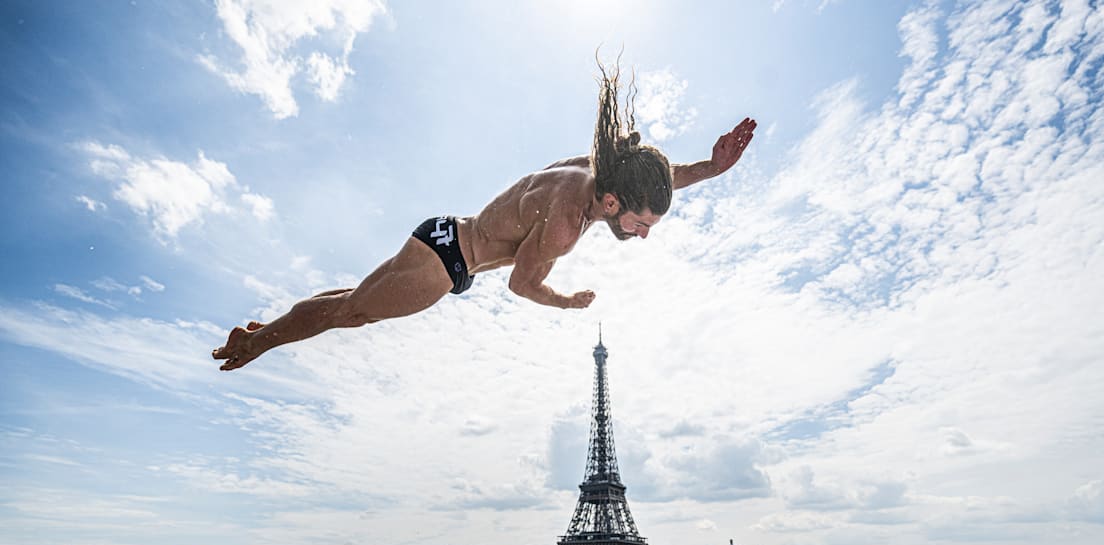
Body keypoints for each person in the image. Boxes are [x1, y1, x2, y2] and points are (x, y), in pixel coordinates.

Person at [213, 65, 755, 370]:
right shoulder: (566, 223)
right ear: (612, 204)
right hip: (447, 264)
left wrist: (711, 167)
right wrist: (568, 301)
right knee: (352, 313)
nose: (640, 236)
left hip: (444, 234)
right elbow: (522, 284)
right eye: (640, 225)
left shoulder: (595, 171)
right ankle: (256, 344)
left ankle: (271, 328)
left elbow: (654, 175)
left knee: (356, 303)